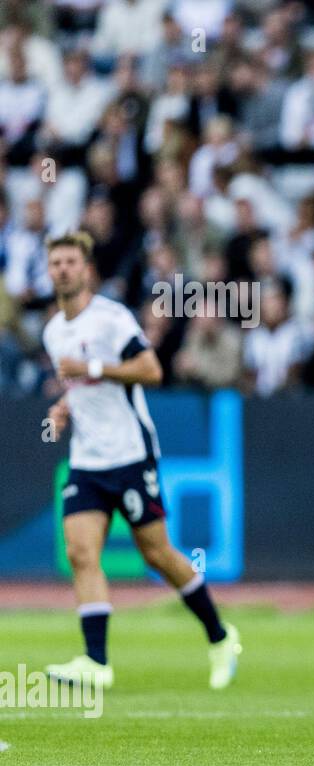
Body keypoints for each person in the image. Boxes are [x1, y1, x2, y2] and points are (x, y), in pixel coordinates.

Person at [40, 232, 242, 690]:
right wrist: (63, 409)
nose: (64, 270)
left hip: (131, 455)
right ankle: (96, 662)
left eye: (71, 261)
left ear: (87, 269)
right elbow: (79, 389)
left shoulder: (111, 319)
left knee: (157, 553)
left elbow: (152, 370)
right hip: (88, 460)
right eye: (56, 263)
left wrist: (93, 369)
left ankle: (219, 634)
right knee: (80, 551)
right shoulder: (54, 331)